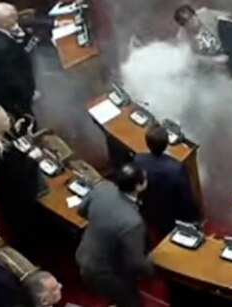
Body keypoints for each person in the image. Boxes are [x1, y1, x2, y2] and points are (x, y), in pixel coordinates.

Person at [75, 163, 153, 307]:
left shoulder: (102, 188)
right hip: (106, 272)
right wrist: (151, 269)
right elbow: (135, 262)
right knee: (131, 302)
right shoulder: (133, 222)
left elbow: (81, 210)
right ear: (139, 186)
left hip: (84, 254)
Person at [0, 106, 44, 254]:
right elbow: (19, 176)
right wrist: (33, 159)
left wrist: (16, 133)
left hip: (5, 195)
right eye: (5, 118)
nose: (9, 119)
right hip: (18, 198)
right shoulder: (2, 153)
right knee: (27, 233)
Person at [134, 124, 200, 237]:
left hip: (149, 208)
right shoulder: (176, 168)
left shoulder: (138, 159)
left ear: (147, 143)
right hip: (172, 215)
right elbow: (186, 198)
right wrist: (194, 216)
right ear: (166, 144)